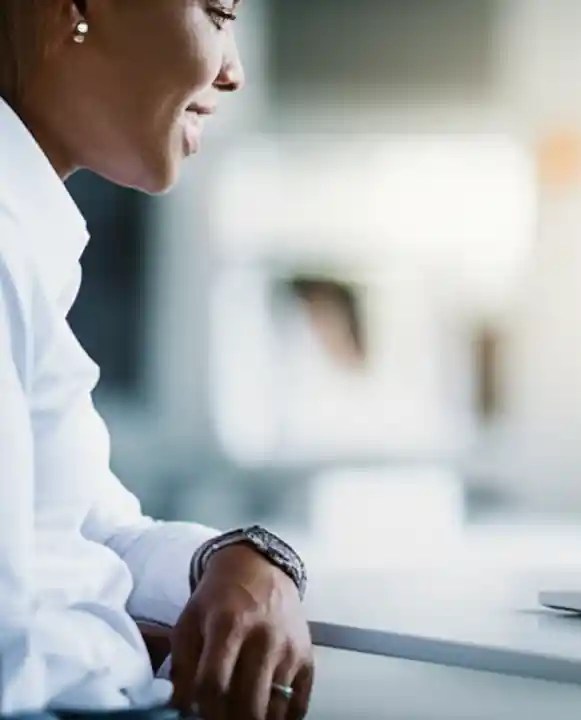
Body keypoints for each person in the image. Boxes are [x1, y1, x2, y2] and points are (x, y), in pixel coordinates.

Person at [0, 1, 313, 718]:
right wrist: (131, 649)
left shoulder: (26, 236)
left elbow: (92, 533)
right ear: (77, 9)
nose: (234, 70)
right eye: (217, 12)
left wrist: (239, 560)